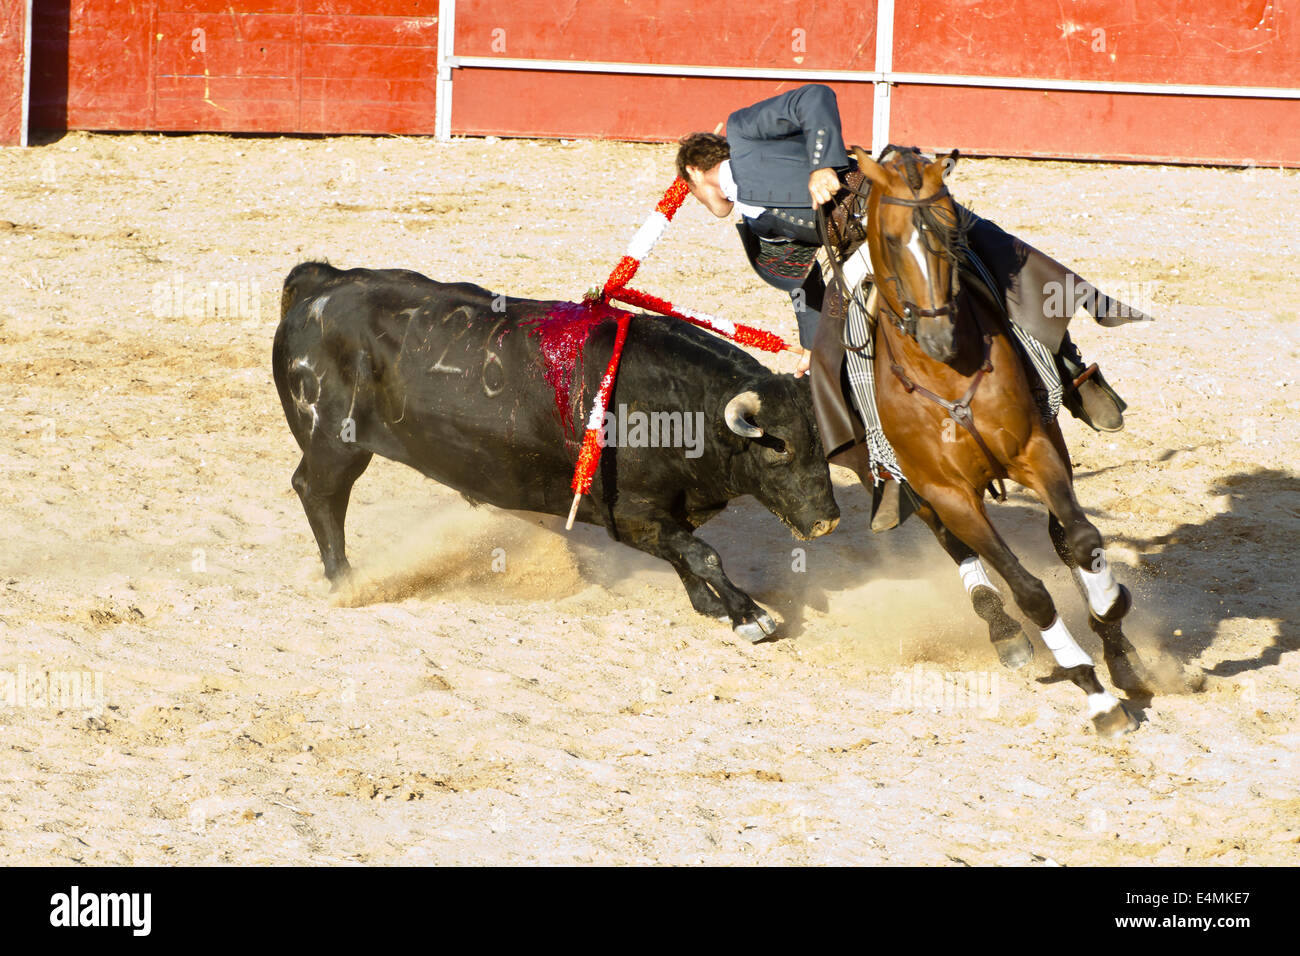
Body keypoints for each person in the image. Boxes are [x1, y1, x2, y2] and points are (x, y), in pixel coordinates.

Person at [676, 84, 1138, 433]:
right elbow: (803, 281)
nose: (698, 201)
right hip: (854, 256)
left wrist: (821, 164)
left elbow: (813, 98)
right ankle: (887, 457)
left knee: (987, 251)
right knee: (842, 357)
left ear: (696, 172)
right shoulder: (752, 226)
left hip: (885, 202)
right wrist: (812, 344)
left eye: (691, 191)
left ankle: (1073, 374)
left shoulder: (743, 130)